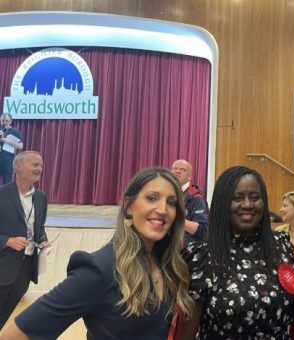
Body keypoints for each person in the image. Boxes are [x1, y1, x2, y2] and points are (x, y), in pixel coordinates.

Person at [0, 167, 194, 339]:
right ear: (128, 207)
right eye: (151, 198)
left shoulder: (170, 265)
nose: (162, 209)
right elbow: (15, 335)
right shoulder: (100, 268)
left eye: (171, 203)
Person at [179, 166, 294, 339]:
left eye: (255, 197)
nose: (248, 204)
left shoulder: (281, 247)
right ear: (222, 203)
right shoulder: (202, 257)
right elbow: (186, 333)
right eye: (237, 198)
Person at [0, 151, 48, 329]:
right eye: (34, 164)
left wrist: (43, 240)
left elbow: (39, 227)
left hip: (25, 270)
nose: (39, 168)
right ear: (18, 167)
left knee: (11, 318)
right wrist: (7, 241)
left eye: (41, 165)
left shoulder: (41, 197)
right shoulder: (2, 195)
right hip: (3, 267)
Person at [171, 159, 209, 245]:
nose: (178, 171)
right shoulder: (165, 194)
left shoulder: (196, 198)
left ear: (189, 176)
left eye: (183, 170)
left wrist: (176, 219)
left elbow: (203, 231)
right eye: (175, 169)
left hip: (187, 252)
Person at [0, 113, 24, 185]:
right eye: (2, 121)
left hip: (7, 160)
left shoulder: (15, 132)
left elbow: (20, 146)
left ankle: (5, 196)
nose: (4, 123)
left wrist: (8, 142)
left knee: (7, 181)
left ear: (10, 121)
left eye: (6, 121)